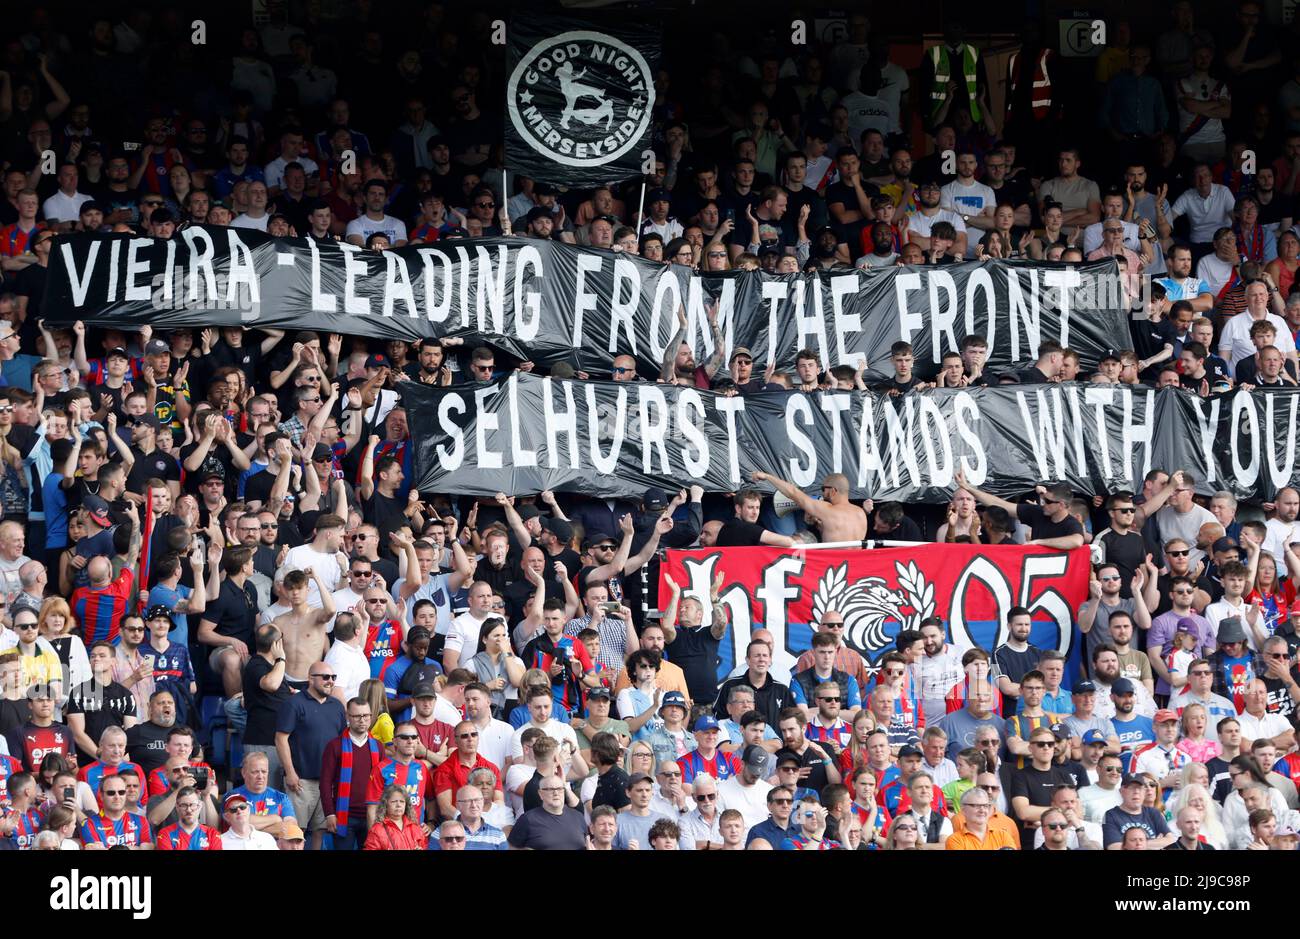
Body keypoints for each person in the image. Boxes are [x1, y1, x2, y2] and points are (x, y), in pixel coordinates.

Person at [1103, 774, 1176, 849]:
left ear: (1144, 792)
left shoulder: (1153, 812)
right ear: (1121, 791)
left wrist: (1130, 844)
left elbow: (1170, 841)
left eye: (1140, 788)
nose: (1136, 792)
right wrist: (1155, 842)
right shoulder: (1111, 815)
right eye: (1131, 788)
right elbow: (1114, 847)